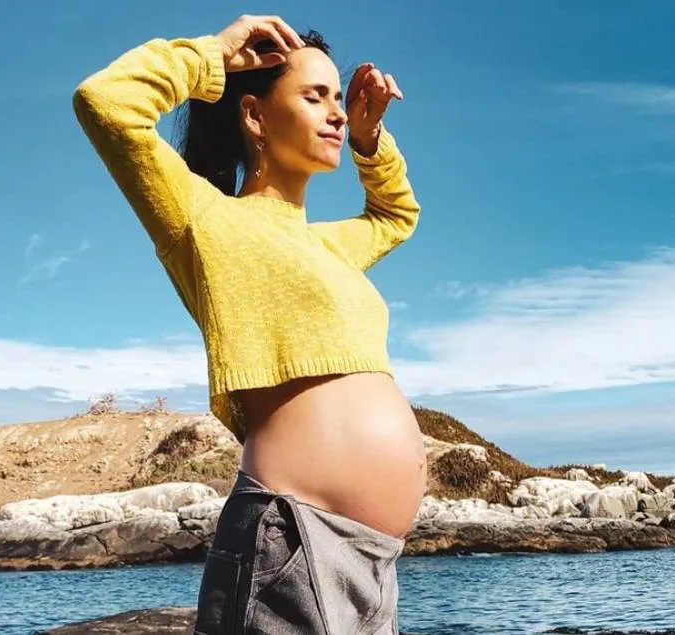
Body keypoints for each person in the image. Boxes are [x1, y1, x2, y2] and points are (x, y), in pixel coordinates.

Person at [72, 12, 425, 635]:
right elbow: (105, 102)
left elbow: (396, 214)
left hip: (375, 558)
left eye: (338, 99)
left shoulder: (330, 246)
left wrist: (371, 143)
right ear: (255, 116)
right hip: (293, 538)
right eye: (314, 97)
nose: (336, 113)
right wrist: (215, 55)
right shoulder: (204, 219)